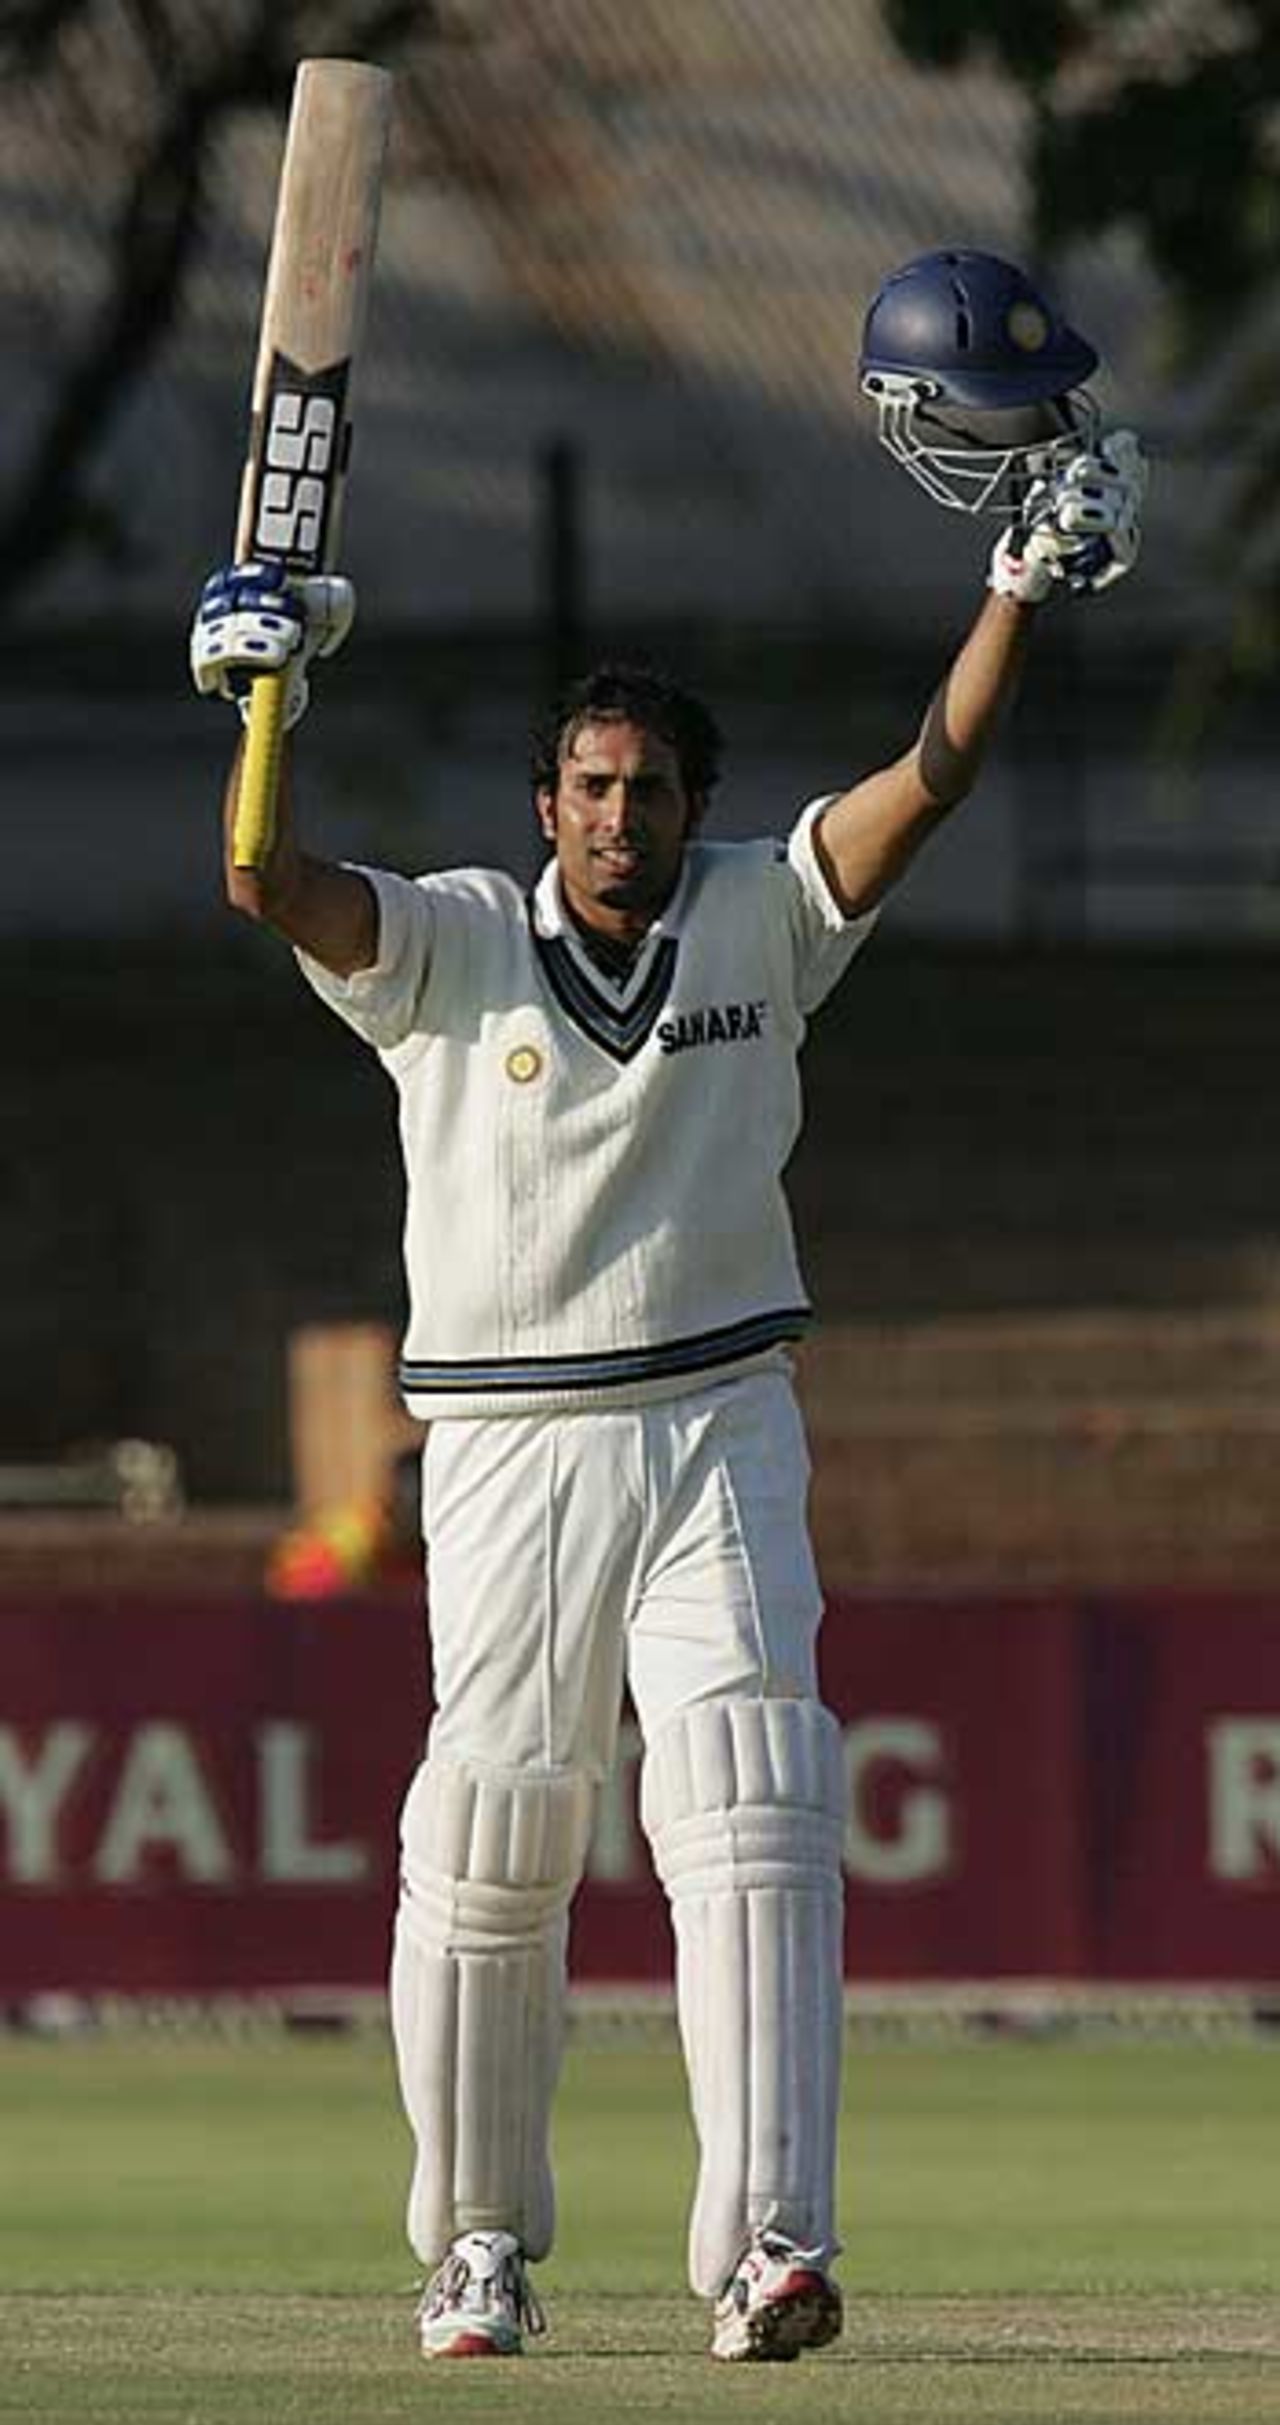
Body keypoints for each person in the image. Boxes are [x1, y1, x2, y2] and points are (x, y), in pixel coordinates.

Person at [191, 253, 1145, 2365]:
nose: (620, 816)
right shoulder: (444, 943)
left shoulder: (759, 916)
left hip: (719, 1415)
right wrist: (261, 713)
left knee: (750, 1794)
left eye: (650, 791)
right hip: (513, 1436)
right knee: (496, 1827)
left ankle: (773, 2248)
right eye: (590, 789)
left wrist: (1015, 592)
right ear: (546, 807)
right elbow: (269, 884)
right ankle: (477, 2243)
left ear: (693, 812)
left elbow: (931, 782)